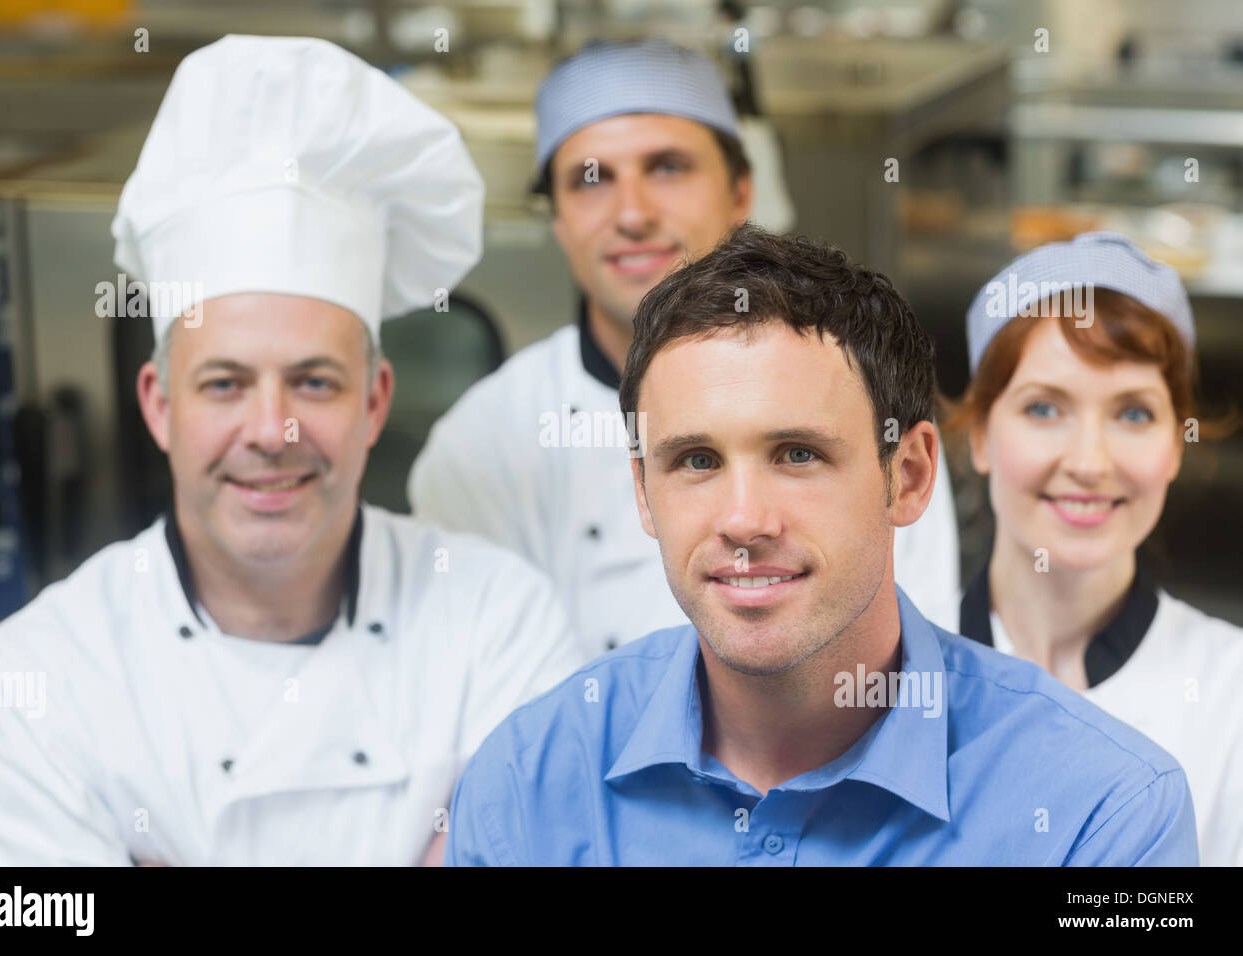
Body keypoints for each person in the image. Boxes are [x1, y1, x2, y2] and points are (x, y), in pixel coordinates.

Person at [0, 35, 581, 866]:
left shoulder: (500, 621)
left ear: (373, 402)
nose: (272, 430)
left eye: (315, 382)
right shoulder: (46, 671)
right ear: (159, 404)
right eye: (224, 384)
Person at [444, 224, 1198, 866]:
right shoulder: (526, 782)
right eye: (696, 461)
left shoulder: (1105, 815)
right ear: (645, 492)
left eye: (798, 454)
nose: (744, 520)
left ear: (907, 476)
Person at [407, 38, 961, 661]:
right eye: (591, 180)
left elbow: (908, 658)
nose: (632, 213)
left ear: (741, 192)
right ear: (558, 219)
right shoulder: (480, 443)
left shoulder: (856, 402)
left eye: (667, 167)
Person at [941, 231, 1243, 866]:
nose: (1089, 462)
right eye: (1045, 408)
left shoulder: (1228, 694)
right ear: (980, 437)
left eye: (1133, 414)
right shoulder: (883, 676)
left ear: (1176, 444)